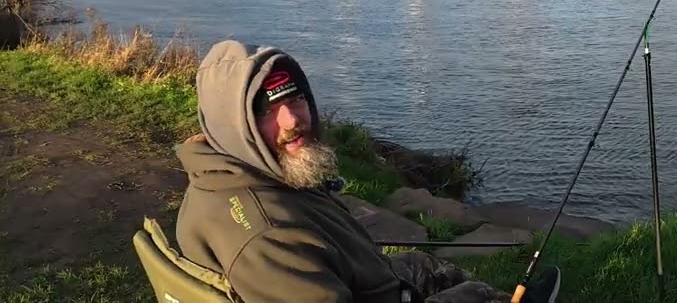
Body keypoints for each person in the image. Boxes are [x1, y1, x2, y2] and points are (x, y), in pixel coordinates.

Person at [174, 39, 561, 303]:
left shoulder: (235, 169)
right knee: (472, 296)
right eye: (265, 110)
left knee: (422, 264)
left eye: (295, 99)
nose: (292, 119)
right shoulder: (267, 237)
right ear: (232, 123)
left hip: (359, 279)